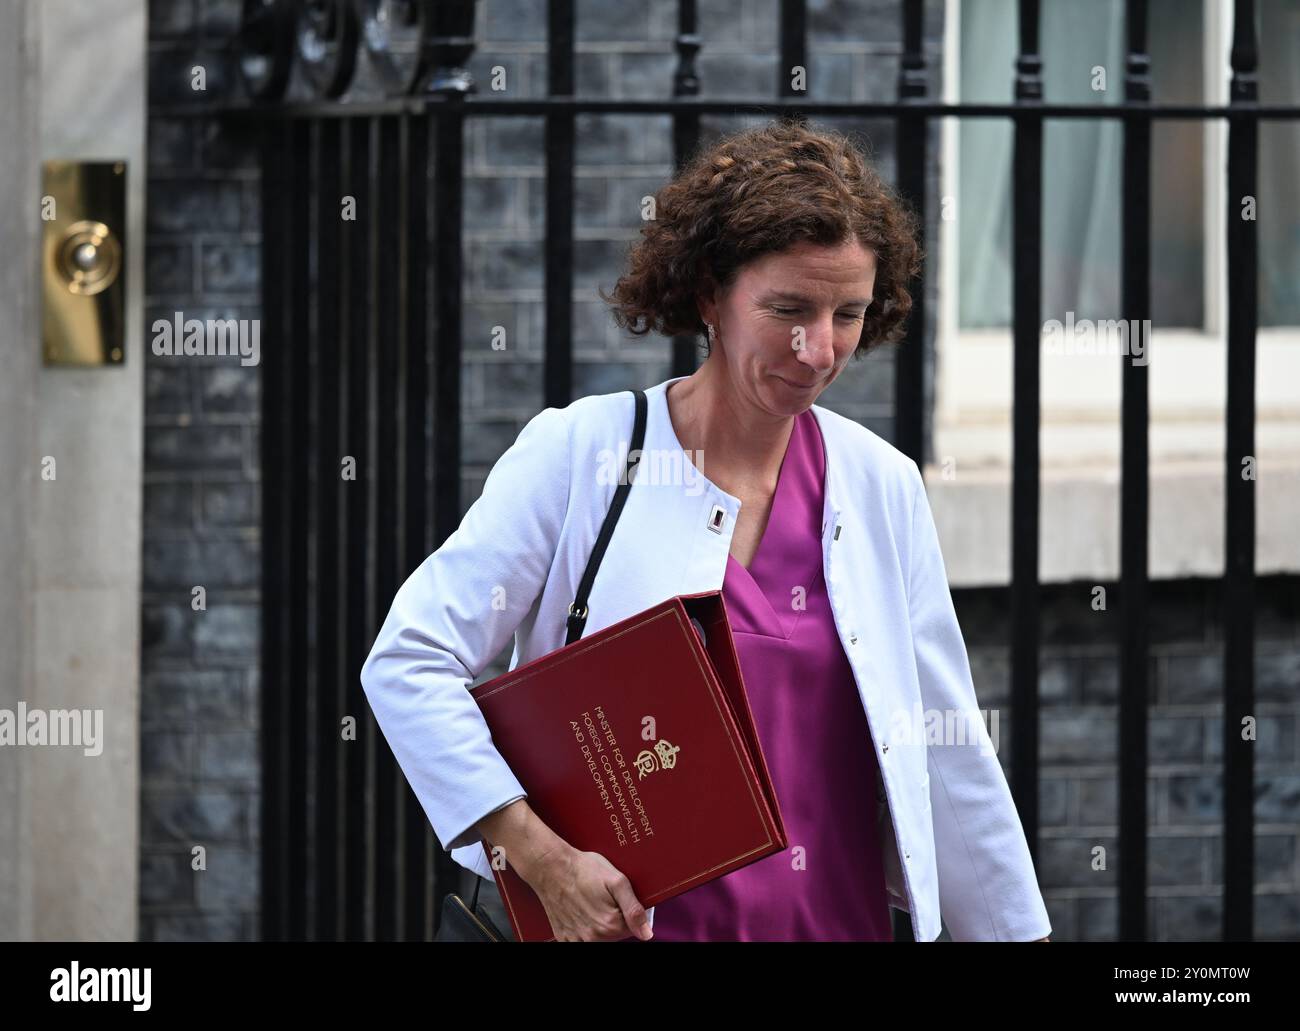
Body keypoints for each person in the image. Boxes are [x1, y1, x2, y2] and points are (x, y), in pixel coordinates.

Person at [361, 118, 1052, 942]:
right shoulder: (582, 456)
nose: (818, 348)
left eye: (850, 313)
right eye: (788, 307)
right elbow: (409, 662)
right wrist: (541, 858)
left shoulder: (881, 488)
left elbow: (947, 749)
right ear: (707, 295)